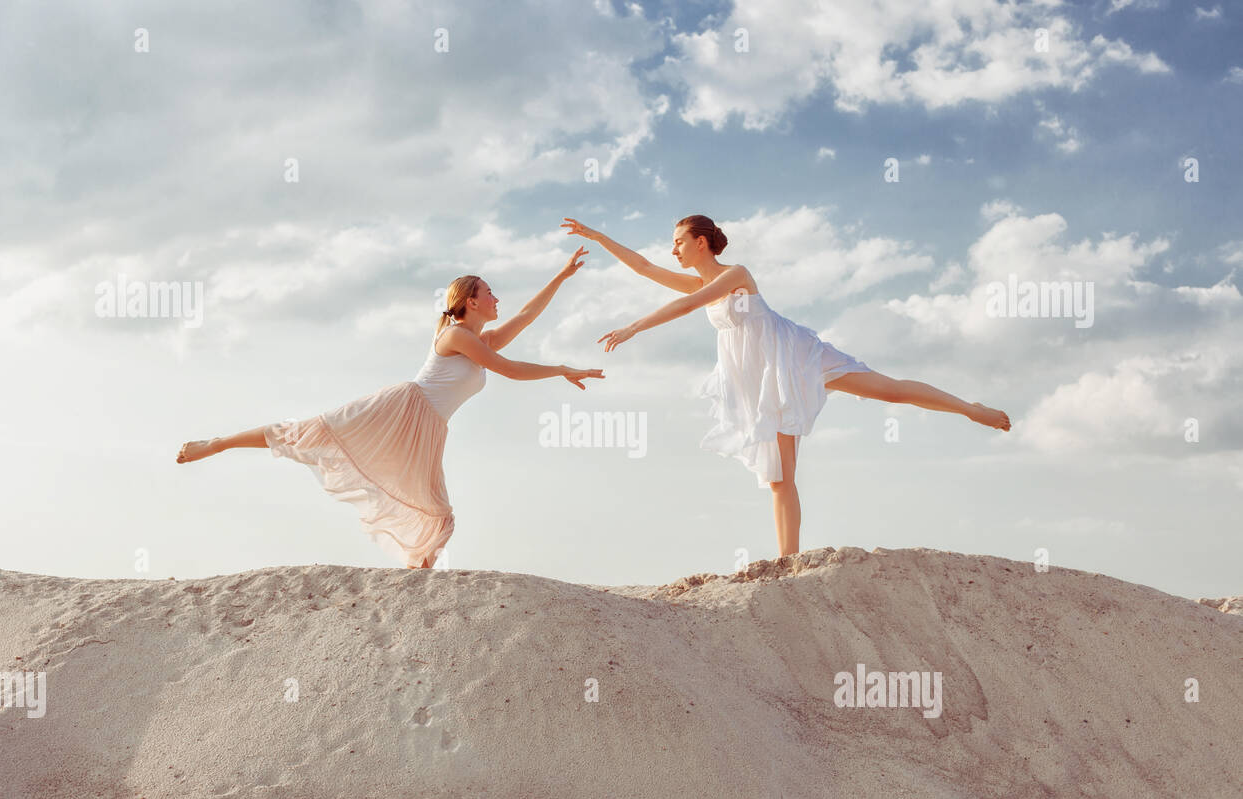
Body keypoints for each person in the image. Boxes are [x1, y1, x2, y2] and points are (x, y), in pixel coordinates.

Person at [561, 214, 1010, 558]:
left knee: (887, 389)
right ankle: (787, 563)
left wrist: (634, 327)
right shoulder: (697, 277)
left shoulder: (735, 273)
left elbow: (688, 305)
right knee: (779, 475)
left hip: (794, 356)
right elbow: (641, 267)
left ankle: (970, 408)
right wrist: (599, 237)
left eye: (677, 242)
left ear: (701, 242)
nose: (672, 250)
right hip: (760, 378)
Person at [176, 248, 604, 568]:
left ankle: (415, 582)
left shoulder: (481, 341)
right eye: (490, 293)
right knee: (308, 432)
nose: (498, 299)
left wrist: (561, 276)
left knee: (437, 513)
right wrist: (562, 368)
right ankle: (215, 444)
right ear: (471, 302)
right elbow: (509, 370)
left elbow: (527, 314)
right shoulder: (458, 337)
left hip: (429, 428)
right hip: (402, 410)